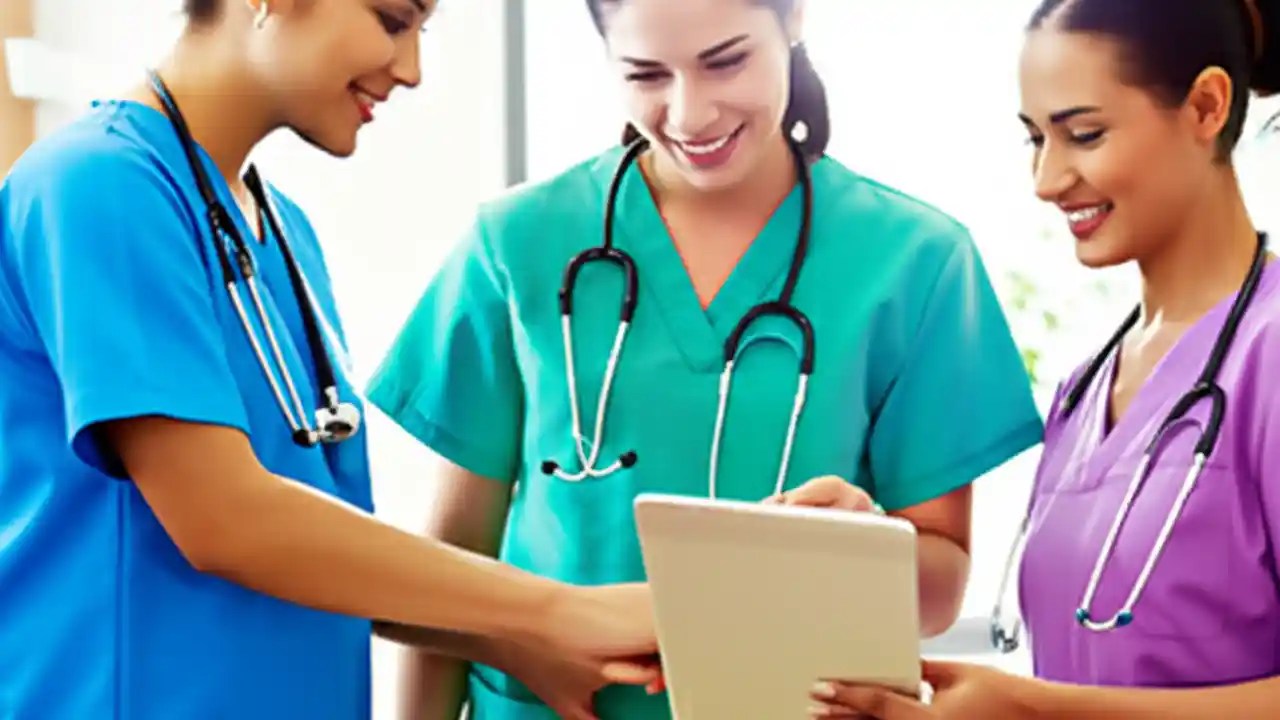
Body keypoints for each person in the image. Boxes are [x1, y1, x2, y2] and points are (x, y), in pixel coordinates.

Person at [365, 0, 1044, 717]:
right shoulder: (516, 243)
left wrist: (866, 549)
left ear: (794, 22)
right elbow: (448, 568)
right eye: (647, 74)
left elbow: (938, 597)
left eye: (726, 61)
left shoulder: (917, 262)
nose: (689, 115)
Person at [0, 1, 661, 719]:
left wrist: (508, 642)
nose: (411, 69)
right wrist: (552, 611)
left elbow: (312, 551)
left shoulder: (283, 234)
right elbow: (224, 521)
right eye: (392, 20)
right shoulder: (99, 184)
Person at [807, 0, 1280, 717]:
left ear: (1206, 107)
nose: (1047, 179)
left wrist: (1033, 711)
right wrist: (872, 548)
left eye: (1083, 134)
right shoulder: (1085, 386)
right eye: (1034, 139)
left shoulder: (1269, 355)